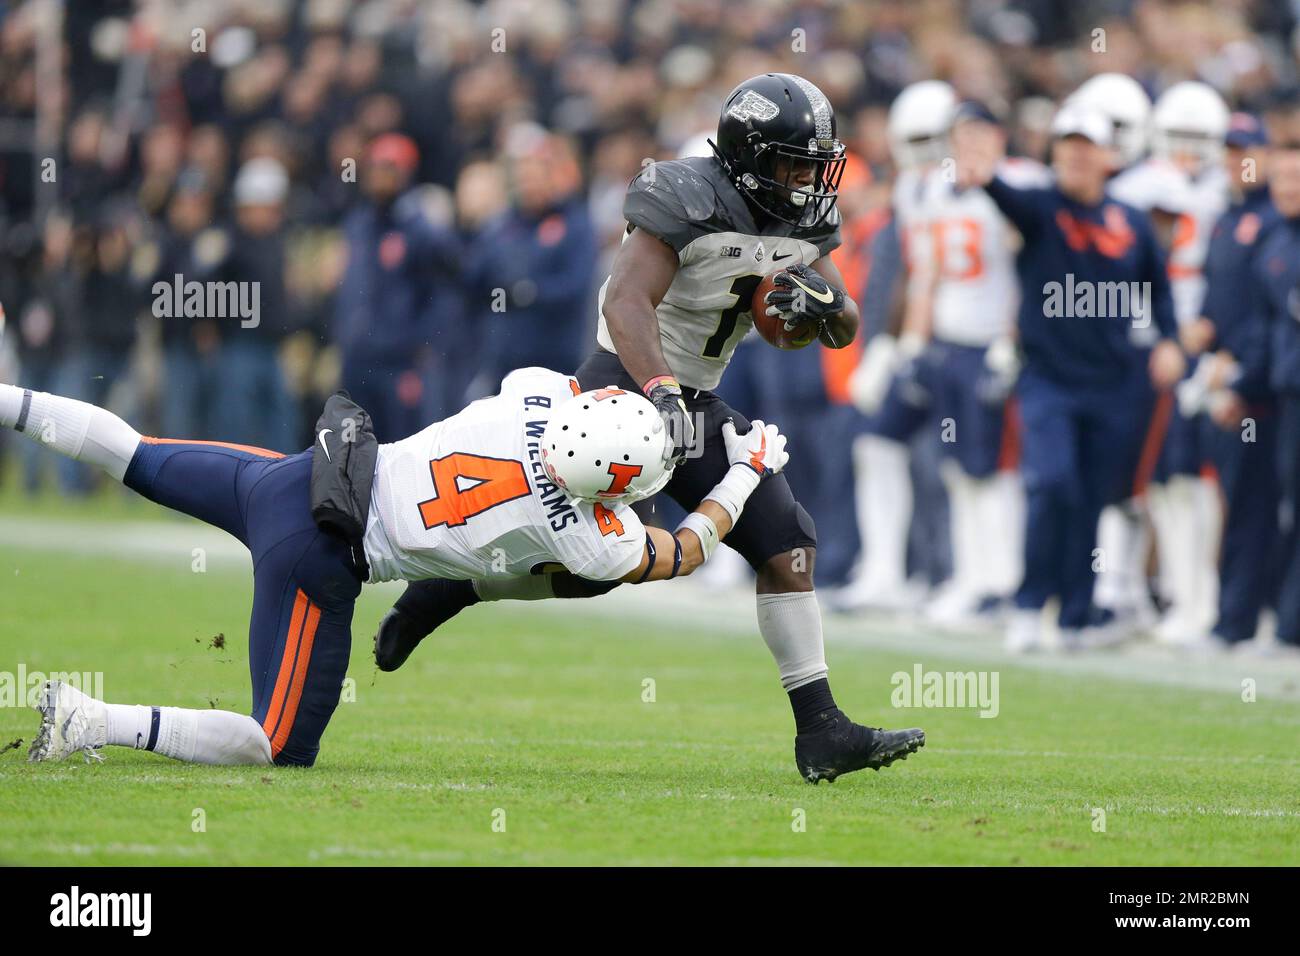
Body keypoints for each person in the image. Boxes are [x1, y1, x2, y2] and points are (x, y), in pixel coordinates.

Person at [376, 73, 928, 785]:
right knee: (603, 561)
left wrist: (827, 304)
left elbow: (839, 325)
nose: (805, 181)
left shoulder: (799, 218)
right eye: (793, 162)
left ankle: (821, 729)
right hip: (625, 382)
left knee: (787, 542)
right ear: (748, 154)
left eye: (813, 165)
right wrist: (662, 393)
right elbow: (628, 301)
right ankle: (451, 588)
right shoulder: (685, 193)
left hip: (695, 399)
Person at [5, 367, 818, 767]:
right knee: (273, 747)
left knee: (138, 455)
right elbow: (685, 549)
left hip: (304, 477)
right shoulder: (588, 539)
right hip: (321, 557)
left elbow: (575, 393)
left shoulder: (531, 395)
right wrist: (745, 472)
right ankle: (93, 720)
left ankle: (9, 401)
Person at [959, 102, 1186, 652]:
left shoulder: (1129, 221)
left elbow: (1158, 286)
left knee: (1091, 496)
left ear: (1107, 155)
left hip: (1114, 383)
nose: (1076, 157)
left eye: (1087, 146)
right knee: (1052, 482)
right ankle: (1031, 602)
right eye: (1067, 146)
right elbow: (1005, 196)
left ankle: (1076, 614)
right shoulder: (1041, 208)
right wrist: (984, 171)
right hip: (1048, 379)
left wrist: (1171, 341)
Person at [1194, 113, 1281, 649]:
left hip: (1260, 386)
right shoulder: (1228, 218)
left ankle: (1240, 621)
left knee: (1251, 506)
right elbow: (1217, 303)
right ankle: (1234, 615)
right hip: (1225, 375)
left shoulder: (1273, 220)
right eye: (1229, 151)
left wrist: (1241, 376)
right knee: (1231, 500)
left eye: (1245, 150)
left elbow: (1264, 314)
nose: (1237, 161)